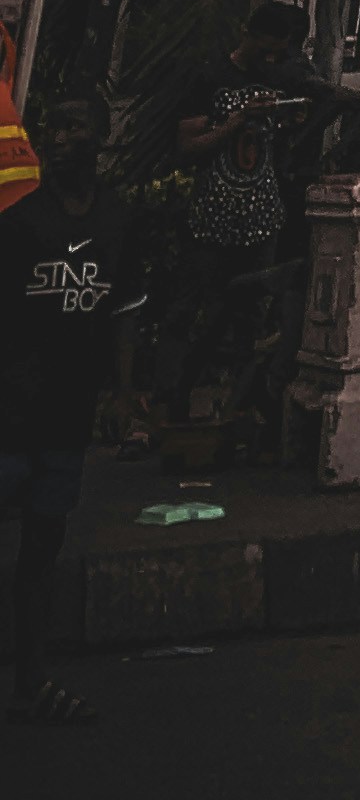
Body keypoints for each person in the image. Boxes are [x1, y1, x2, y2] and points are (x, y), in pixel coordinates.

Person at [2, 96, 144, 732]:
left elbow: (123, 312)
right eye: (50, 127)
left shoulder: (116, 218)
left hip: (67, 415)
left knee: (42, 549)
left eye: (72, 127)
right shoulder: (18, 219)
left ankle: (30, 682)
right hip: (9, 410)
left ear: (98, 137)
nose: (57, 138)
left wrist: (122, 395)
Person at [169, 0, 340, 420]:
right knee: (203, 315)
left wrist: (287, 121)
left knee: (253, 316)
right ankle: (173, 403)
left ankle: (237, 408)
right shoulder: (211, 77)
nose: (275, 55)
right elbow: (188, 145)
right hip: (214, 215)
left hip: (261, 215)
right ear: (253, 34)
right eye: (272, 45)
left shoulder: (275, 78)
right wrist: (235, 122)